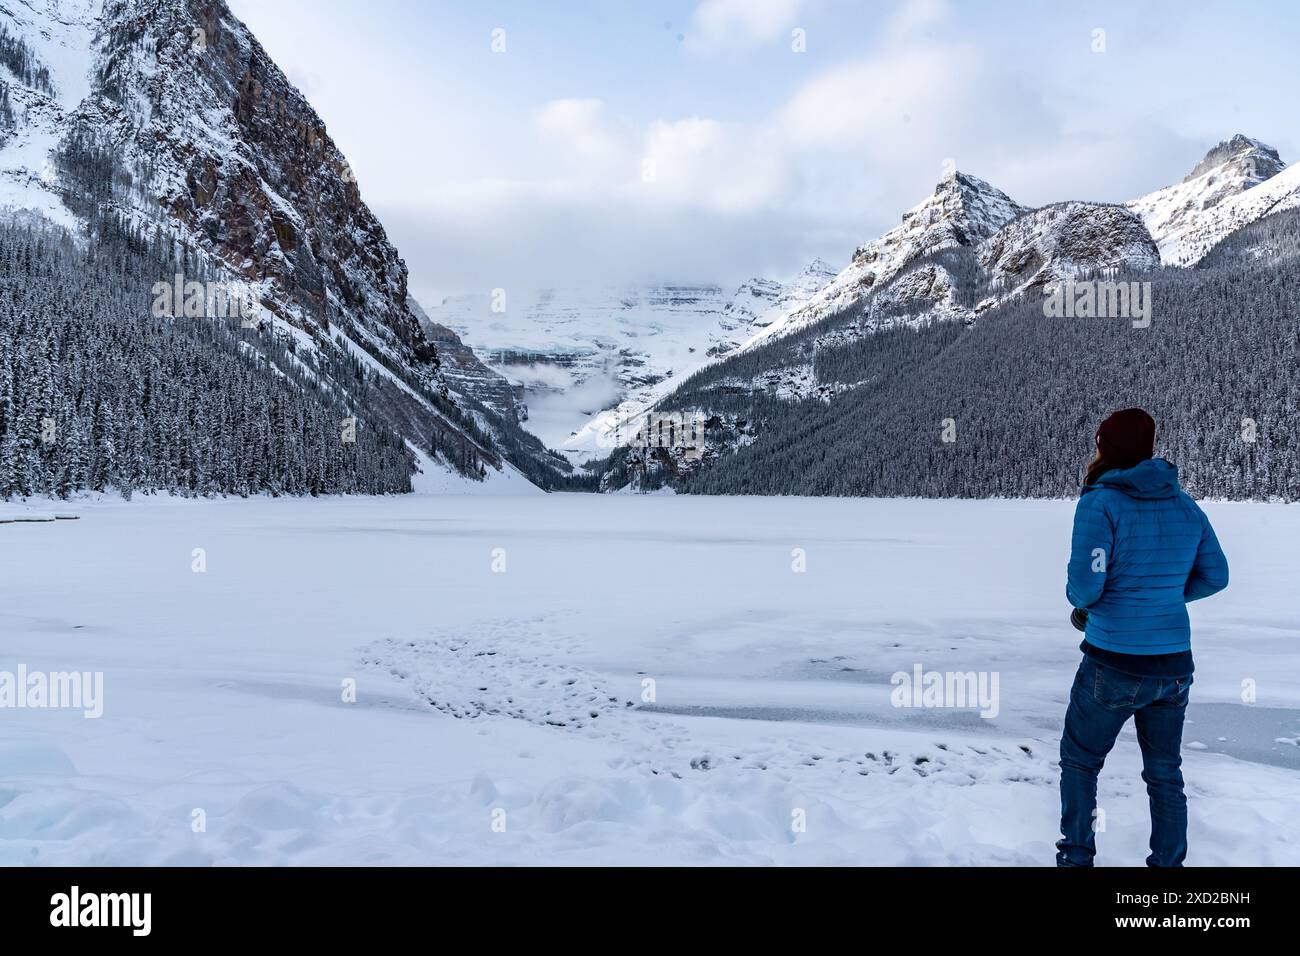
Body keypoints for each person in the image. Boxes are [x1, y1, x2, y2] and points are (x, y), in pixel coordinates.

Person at [1058, 408, 1229, 867]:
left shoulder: (1100, 502)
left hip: (1113, 660)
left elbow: (1087, 587)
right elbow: (1216, 576)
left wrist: (1088, 604)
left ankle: (1075, 860)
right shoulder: (1184, 503)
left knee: (1080, 762)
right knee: (1165, 774)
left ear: (1106, 448)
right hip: (1173, 666)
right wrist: (1163, 598)